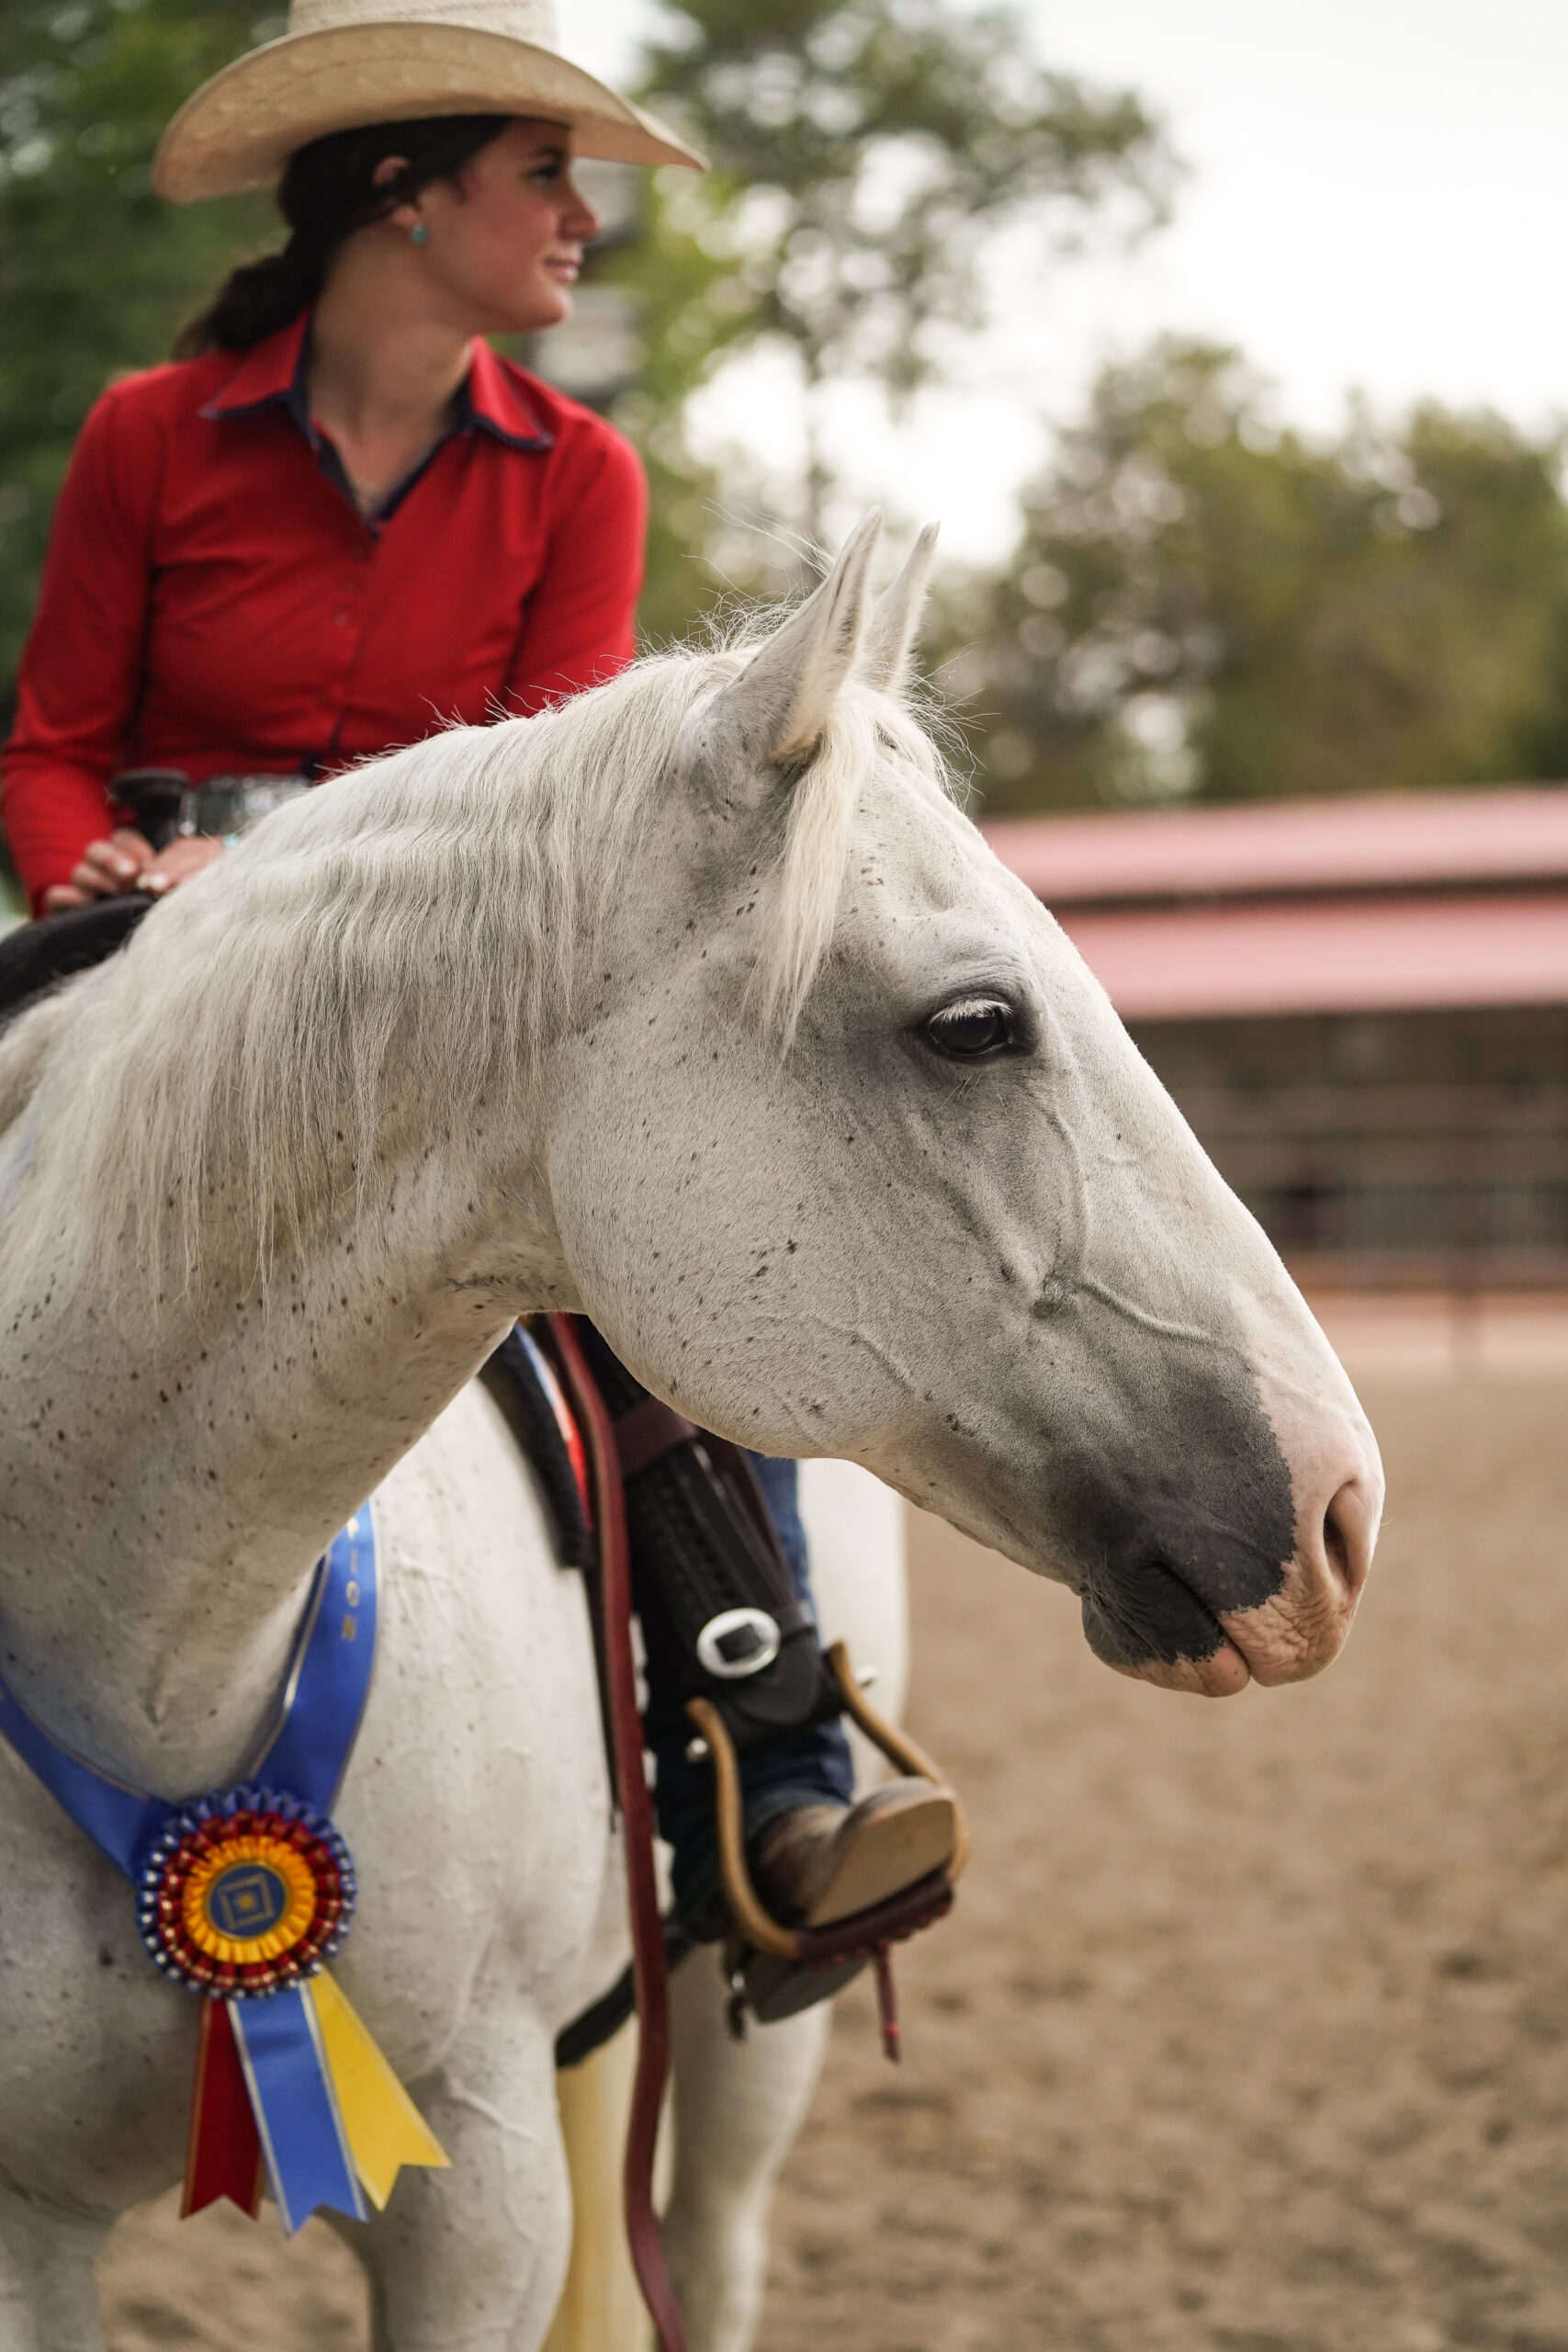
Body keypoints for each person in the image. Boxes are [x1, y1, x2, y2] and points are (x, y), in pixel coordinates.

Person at [0, 0, 957, 1994]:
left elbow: (553, 817)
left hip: (446, 1006)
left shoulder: (577, 475)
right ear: (400, 190)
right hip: (139, 973)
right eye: (541, 172)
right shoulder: (144, 437)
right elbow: (50, 743)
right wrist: (99, 866)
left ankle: (770, 1760)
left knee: (660, 1270)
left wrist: (290, 882)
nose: (579, 217)